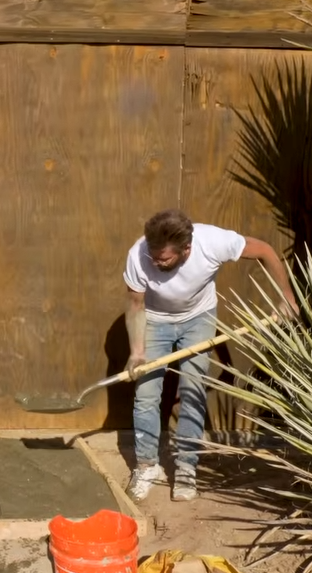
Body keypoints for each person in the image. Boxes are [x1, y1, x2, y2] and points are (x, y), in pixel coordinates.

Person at [122, 209, 297, 502]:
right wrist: (136, 352)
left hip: (198, 319)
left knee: (192, 390)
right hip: (154, 320)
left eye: (163, 259)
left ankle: (186, 468)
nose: (155, 262)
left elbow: (265, 251)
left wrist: (287, 297)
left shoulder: (213, 241)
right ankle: (145, 466)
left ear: (186, 249)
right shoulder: (139, 254)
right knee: (147, 393)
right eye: (153, 256)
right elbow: (136, 305)